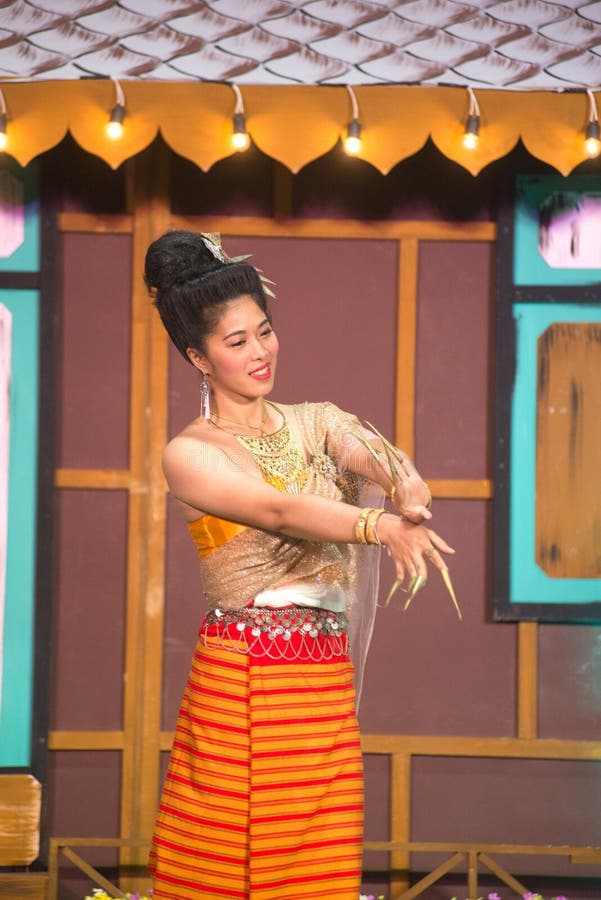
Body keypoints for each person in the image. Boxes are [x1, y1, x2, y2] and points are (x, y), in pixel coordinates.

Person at [144, 231, 455, 900]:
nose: (259, 352)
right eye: (236, 342)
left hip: (320, 677)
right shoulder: (191, 454)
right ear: (198, 357)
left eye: (264, 331)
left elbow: (369, 451)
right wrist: (377, 525)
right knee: (221, 857)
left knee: (316, 866)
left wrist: (405, 487)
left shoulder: (314, 420)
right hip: (241, 675)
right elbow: (277, 511)